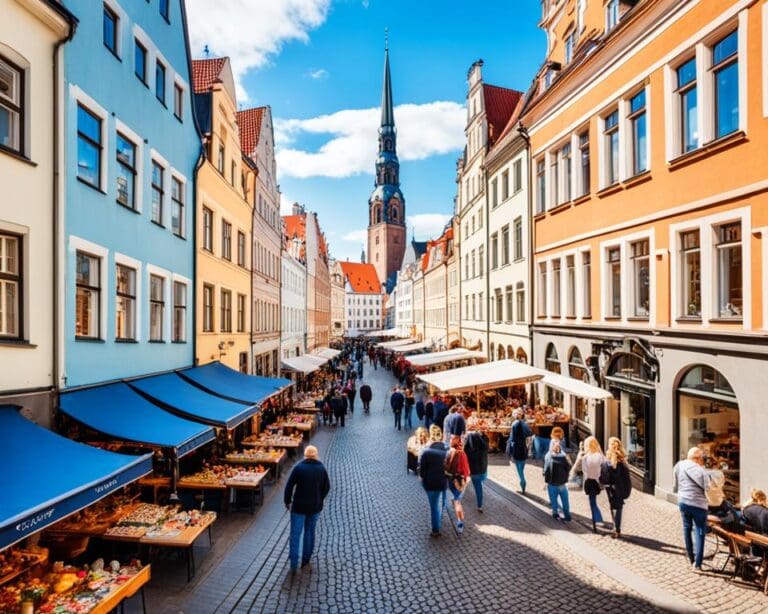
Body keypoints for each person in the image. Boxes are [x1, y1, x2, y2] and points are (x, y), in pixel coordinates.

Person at [283, 445, 331, 573]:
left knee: (295, 535)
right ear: (316, 455)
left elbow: (289, 486)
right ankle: (305, 560)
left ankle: (293, 564)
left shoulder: (299, 468)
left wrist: (287, 501)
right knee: (309, 532)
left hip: (298, 507)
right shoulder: (321, 469)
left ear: (305, 454)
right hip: (314, 507)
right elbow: (327, 487)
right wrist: (320, 498)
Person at [672, 446, 712, 570]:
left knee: (687, 529)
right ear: (697, 458)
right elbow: (708, 489)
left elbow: (675, 486)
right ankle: (698, 563)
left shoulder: (679, 465)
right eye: (702, 457)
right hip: (699, 505)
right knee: (700, 532)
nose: (703, 460)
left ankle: (691, 557)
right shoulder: (702, 472)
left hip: (683, 502)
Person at [418, 425, 449, 537]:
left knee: (434, 506)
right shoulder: (447, 449)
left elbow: (422, 471)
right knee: (442, 502)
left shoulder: (426, 451)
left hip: (430, 483)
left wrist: (423, 479)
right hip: (443, 481)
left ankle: (435, 530)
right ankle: (440, 517)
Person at [572, 436, 606, 532]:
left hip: (589, 482)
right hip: (597, 482)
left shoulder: (585, 458)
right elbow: (604, 469)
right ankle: (597, 519)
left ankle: (597, 520)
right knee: (593, 501)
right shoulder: (600, 456)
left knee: (592, 502)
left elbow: (584, 471)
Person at [602, 437, 632, 539]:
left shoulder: (607, 461)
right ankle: (617, 529)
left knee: (612, 507)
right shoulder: (623, 462)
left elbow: (604, 476)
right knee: (619, 508)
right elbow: (627, 479)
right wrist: (626, 491)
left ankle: (616, 528)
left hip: (610, 488)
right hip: (620, 489)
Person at [445, 435, 471, 533]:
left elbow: (446, 467)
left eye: (451, 439)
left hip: (452, 480)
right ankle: (460, 520)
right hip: (462, 480)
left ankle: (460, 522)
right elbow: (467, 470)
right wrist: (466, 479)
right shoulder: (463, 454)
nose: (450, 440)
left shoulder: (449, 452)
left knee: (457, 500)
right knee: (458, 499)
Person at [544, 442, 572, 521]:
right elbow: (569, 467)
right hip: (562, 483)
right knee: (565, 500)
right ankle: (567, 515)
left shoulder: (548, 456)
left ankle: (555, 513)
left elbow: (545, 469)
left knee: (553, 500)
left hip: (552, 483)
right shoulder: (564, 457)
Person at [506, 409, 532, 493]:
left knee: (519, 467)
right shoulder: (525, 424)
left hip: (517, 447)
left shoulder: (514, 424)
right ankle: (522, 482)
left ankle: (523, 482)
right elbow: (529, 434)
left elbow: (512, 438)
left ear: (515, 415)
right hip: (524, 447)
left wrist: (510, 449)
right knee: (522, 466)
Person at [464, 428, 489, 512]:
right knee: (479, 488)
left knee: (477, 488)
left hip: (474, 473)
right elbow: (486, 440)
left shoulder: (468, 450)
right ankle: (479, 505)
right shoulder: (484, 448)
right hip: (483, 471)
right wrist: (483, 434)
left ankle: (479, 505)